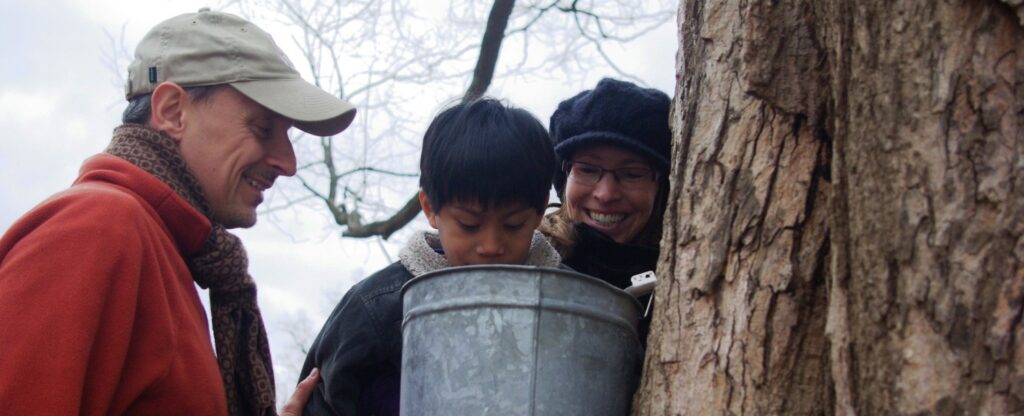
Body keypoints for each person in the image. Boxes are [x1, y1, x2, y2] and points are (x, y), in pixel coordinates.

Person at [0, 9, 356, 416]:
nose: (288, 162)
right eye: (262, 128)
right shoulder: (97, 228)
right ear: (171, 110)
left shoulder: (160, 250)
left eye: (287, 135)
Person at [298, 98, 562, 416]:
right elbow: (322, 398)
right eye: (469, 225)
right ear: (430, 209)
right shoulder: (380, 305)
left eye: (513, 224)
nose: (491, 245)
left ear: (539, 211)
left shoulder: (570, 301)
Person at [539, 77, 672, 342]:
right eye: (588, 169)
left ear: (661, 188)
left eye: (631, 174)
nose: (606, 194)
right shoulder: (527, 255)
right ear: (564, 177)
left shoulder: (687, 276)